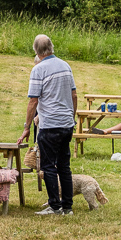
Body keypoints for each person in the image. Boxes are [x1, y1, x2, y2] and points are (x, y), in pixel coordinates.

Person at [25, 35, 78, 217]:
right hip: (66, 123)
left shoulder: (38, 69)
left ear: (36, 51)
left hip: (50, 125)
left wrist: (26, 127)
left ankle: (55, 206)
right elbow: (74, 95)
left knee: (48, 166)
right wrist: (72, 117)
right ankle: (68, 207)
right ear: (52, 47)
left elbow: (33, 101)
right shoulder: (65, 65)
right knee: (64, 165)